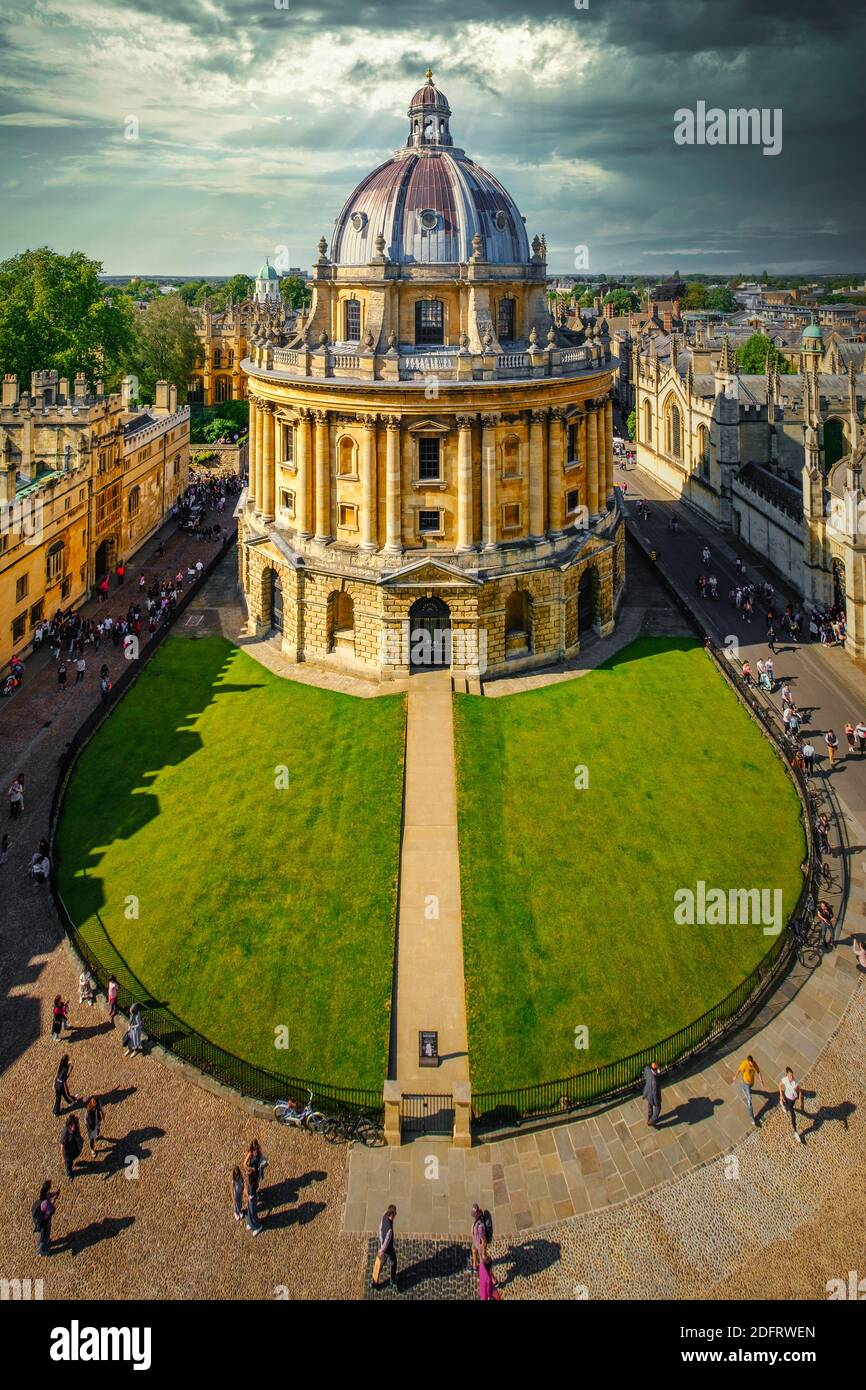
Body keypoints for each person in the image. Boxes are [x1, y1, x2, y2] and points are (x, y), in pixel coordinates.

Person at [373, 1205, 399, 1290]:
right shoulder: (389, 1230)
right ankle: (393, 1279)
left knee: (380, 1263)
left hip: (383, 1248)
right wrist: (382, 1250)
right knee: (394, 1263)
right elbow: (387, 1241)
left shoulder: (384, 1215)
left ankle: (375, 1281)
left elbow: (380, 1229)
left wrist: (381, 1243)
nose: (396, 1215)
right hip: (388, 1250)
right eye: (395, 1214)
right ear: (391, 1215)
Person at [33, 1181, 59, 1257]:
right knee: (44, 1234)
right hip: (44, 1221)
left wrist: (55, 1194)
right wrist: (53, 1209)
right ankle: (42, 1251)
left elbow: (49, 1195)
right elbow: (47, 1214)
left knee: (45, 1234)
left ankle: (44, 1244)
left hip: (45, 1219)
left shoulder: (45, 1194)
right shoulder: (45, 1204)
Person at [736, 1055, 764, 1126]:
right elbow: (739, 1070)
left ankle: (745, 1091)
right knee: (750, 1102)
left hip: (751, 1083)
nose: (752, 1064)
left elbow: (758, 1072)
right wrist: (735, 1076)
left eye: (752, 1063)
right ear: (748, 1061)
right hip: (746, 1083)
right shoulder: (744, 1064)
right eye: (750, 1063)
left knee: (749, 1089)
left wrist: (761, 1081)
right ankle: (752, 1118)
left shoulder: (754, 1064)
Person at [779, 1068, 804, 1144]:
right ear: (787, 1075)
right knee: (793, 1114)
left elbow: (800, 1091)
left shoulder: (794, 1082)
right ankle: (795, 1132)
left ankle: (782, 1103)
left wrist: (800, 1100)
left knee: (789, 1108)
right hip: (788, 1098)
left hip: (793, 1099)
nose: (792, 1077)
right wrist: (781, 1094)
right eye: (790, 1075)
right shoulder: (785, 1079)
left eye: (792, 1075)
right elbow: (780, 1085)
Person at [60, 1115, 84, 1179]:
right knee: (69, 1163)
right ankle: (69, 1173)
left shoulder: (75, 1126)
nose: (74, 1127)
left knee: (76, 1155)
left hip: (75, 1147)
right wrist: (63, 1157)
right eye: (72, 1125)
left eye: (74, 1125)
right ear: (69, 1125)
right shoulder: (65, 1134)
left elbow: (78, 1130)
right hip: (68, 1151)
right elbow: (62, 1146)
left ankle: (73, 1162)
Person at [245, 1164, 264, 1235]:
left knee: (252, 1213)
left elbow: (250, 1196)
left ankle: (258, 1226)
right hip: (252, 1198)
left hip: (252, 1199)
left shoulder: (252, 1185)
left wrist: (246, 1192)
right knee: (249, 1212)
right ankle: (250, 1223)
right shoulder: (252, 1182)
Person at [642, 1060, 662, 1127]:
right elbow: (655, 1094)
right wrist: (656, 1103)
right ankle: (652, 1121)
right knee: (658, 1108)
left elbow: (645, 1074)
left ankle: (649, 1118)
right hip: (652, 1095)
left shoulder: (647, 1069)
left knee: (650, 1106)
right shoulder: (655, 1082)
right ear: (655, 1070)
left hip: (647, 1092)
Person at [470, 1202, 488, 1272]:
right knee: (480, 1258)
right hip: (477, 1243)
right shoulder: (480, 1225)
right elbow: (483, 1239)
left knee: (475, 1252)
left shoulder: (478, 1225)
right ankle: (476, 1267)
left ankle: (476, 1267)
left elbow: (482, 1239)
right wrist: (483, 1251)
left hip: (476, 1242)